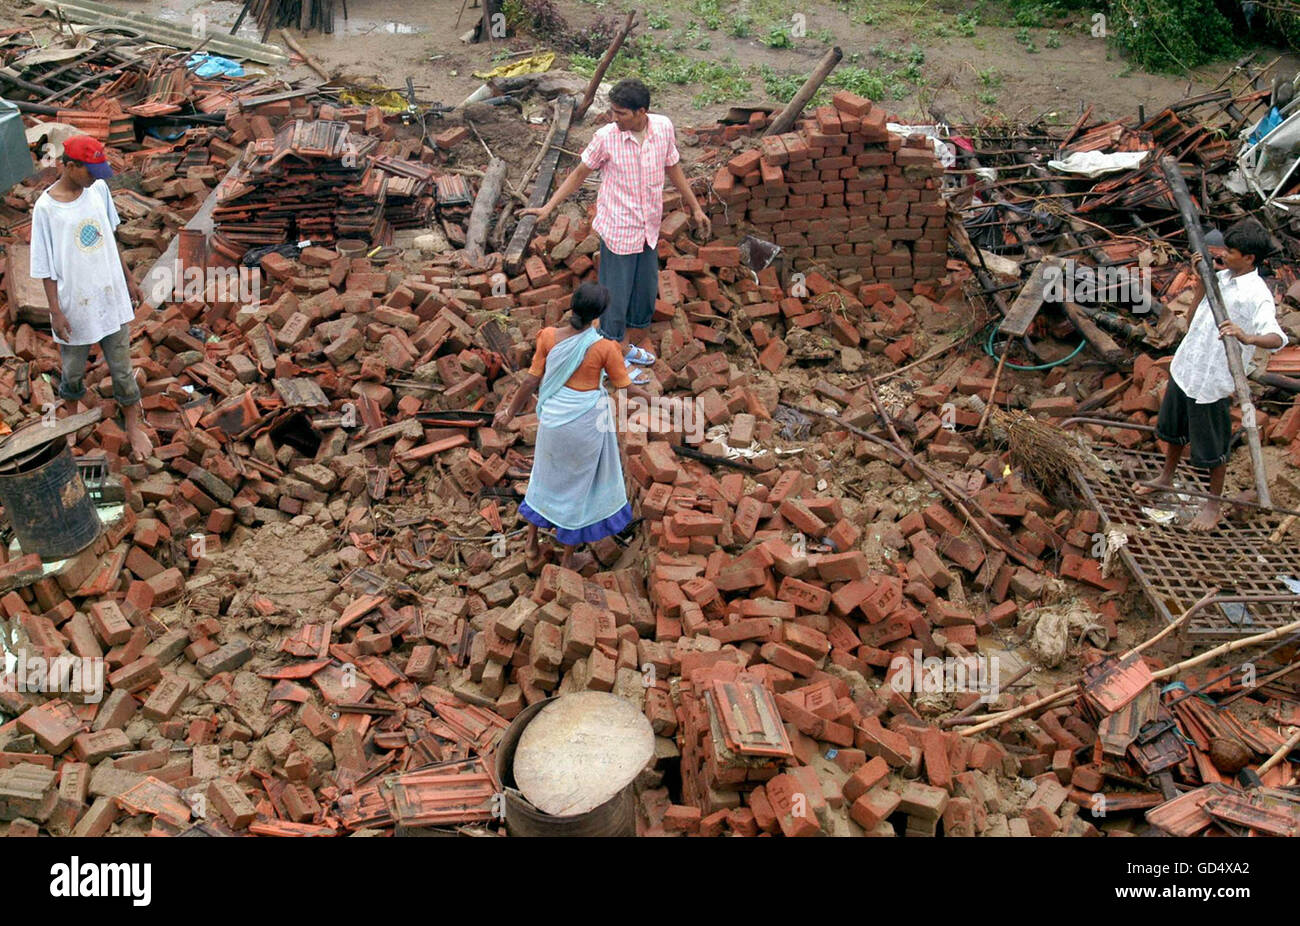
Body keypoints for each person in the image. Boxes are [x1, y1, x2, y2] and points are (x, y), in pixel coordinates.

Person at [520, 78, 711, 386]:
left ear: (641, 112)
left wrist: (696, 208)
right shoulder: (606, 138)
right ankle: (611, 359)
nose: (614, 118)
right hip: (619, 231)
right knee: (614, 302)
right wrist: (548, 208)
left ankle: (625, 347)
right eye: (612, 111)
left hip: (649, 228)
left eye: (621, 113)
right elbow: (580, 173)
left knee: (644, 295)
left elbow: (673, 167)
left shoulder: (662, 128)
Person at [1134, 218, 1285, 530]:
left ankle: (1213, 504)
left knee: (1213, 446)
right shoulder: (1221, 278)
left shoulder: (1257, 294)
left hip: (1212, 381)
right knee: (1173, 429)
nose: (1224, 255)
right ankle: (1166, 476)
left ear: (1249, 258)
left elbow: (1276, 337)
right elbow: (1192, 322)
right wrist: (1202, 281)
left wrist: (1248, 337)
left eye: (1230, 252)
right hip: (1187, 366)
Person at [494, 283, 651, 571]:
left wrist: (509, 413)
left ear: (572, 306)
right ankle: (567, 558)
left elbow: (530, 382)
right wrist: (653, 400)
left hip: (552, 422)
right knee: (578, 488)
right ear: (598, 315)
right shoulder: (605, 348)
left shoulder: (548, 337)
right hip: (585, 424)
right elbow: (624, 385)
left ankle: (530, 546)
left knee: (543, 479)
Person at [29, 135, 152, 462]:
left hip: (110, 296)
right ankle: (72, 417)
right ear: (70, 166)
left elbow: (110, 240)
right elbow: (44, 267)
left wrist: (129, 280)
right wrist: (55, 311)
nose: (97, 177)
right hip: (75, 302)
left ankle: (132, 424)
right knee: (72, 370)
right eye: (90, 171)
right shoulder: (46, 208)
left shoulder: (98, 190)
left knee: (122, 369)